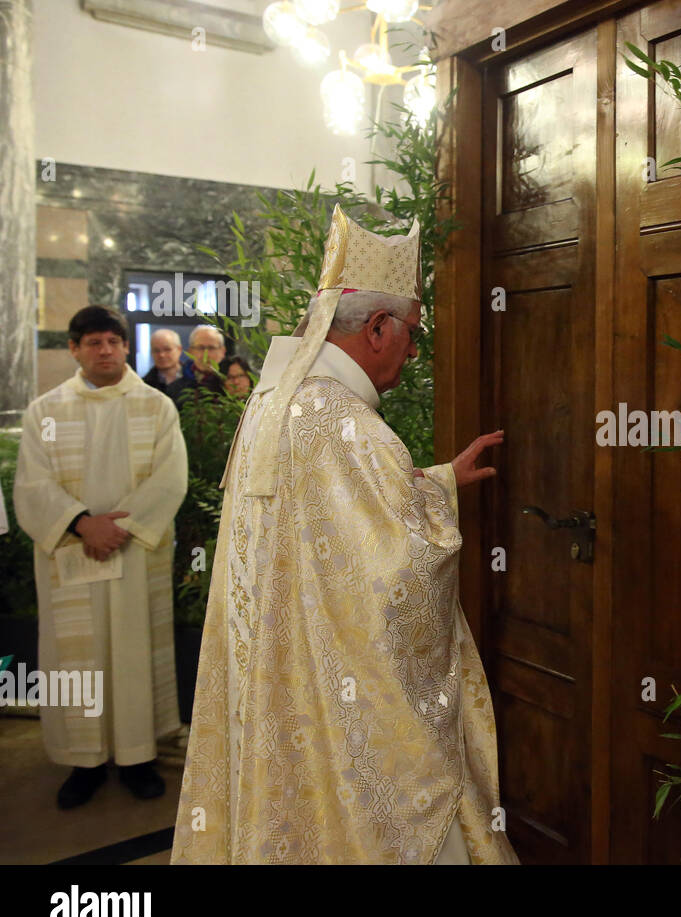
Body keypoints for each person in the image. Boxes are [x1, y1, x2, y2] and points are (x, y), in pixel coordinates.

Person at [172, 206, 519, 864]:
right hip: (336, 700)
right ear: (379, 326)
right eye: (412, 334)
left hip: (272, 676)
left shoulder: (274, 401)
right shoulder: (344, 421)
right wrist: (435, 510)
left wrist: (440, 477)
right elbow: (397, 568)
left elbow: (330, 521)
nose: (413, 351)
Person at [13, 306, 188, 809]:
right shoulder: (45, 412)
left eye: (114, 341)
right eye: (93, 343)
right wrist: (81, 522)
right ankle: (82, 764)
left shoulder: (155, 407)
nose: (105, 350)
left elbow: (170, 477)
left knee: (134, 652)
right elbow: (32, 482)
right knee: (78, 658)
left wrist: (120, 528)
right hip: (72, 554)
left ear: (126, 346)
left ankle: (138, 758)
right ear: (74, 349)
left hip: (134, 554)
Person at [142, 328, 195, 402]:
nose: (161, 355)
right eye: (156, 350)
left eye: (167, 349)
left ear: (179, 349)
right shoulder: (144, 385)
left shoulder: (195, 379)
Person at [186, 325, 227, 394]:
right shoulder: (176, 388)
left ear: (223, 351)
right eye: (200, 348)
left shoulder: (233, 383)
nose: (206, 354)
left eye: (211, 348)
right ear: (190, 352)